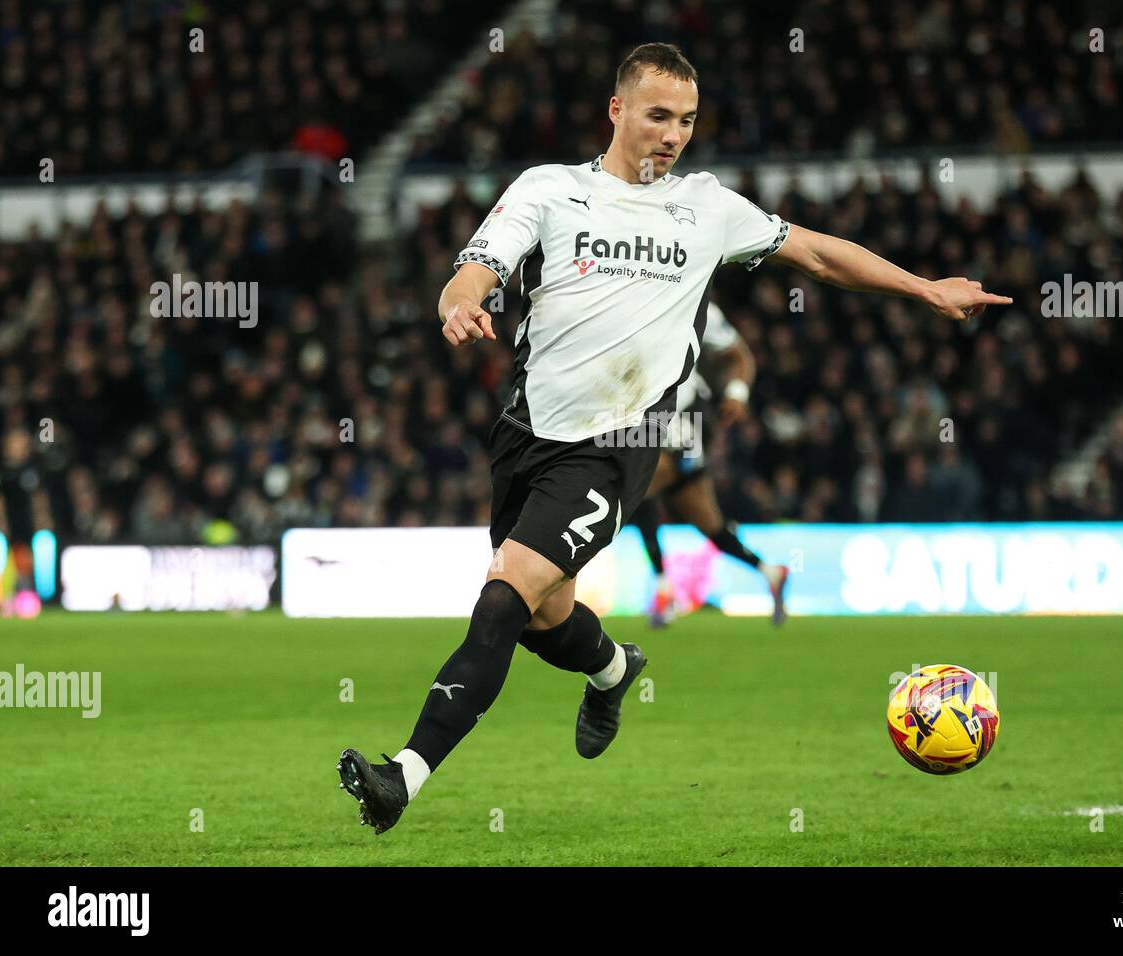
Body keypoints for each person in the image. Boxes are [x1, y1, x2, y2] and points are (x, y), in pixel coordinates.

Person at [338, 42, 1010, 834]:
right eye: (658, 115)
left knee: (501, 598)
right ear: (617, 109)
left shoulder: (708, 206)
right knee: (545, 622)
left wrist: (923, 287)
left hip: (619, 445)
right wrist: (459, 301)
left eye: (687, 120)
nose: (673, 135)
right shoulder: (550, 192)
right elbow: (474, 267)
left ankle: (402, 778)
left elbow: (821, 254)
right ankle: (615, 668)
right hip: (525, 436)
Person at [630, 301, 790, 627]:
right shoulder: (625, 293)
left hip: (686, 414)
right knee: (709, 524)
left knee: (637, 486)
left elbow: (738, 355)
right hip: (647, 417)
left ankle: (663, 588)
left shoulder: (698, 301)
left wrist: (736, 393)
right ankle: (770, 572)